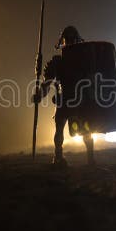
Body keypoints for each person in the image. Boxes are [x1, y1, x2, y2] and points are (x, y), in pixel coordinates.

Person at [32, 25, 95, 166]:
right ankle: (58, 157)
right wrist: (40, 94)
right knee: (61, 128)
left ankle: (90, 158)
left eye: (73, 39)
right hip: (65, 100)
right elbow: (47, 83)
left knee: (86, 131)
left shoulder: (84, 62)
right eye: (69, 39)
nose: (71, 42)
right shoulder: (57, 62)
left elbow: (91, 81)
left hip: (78, 100)